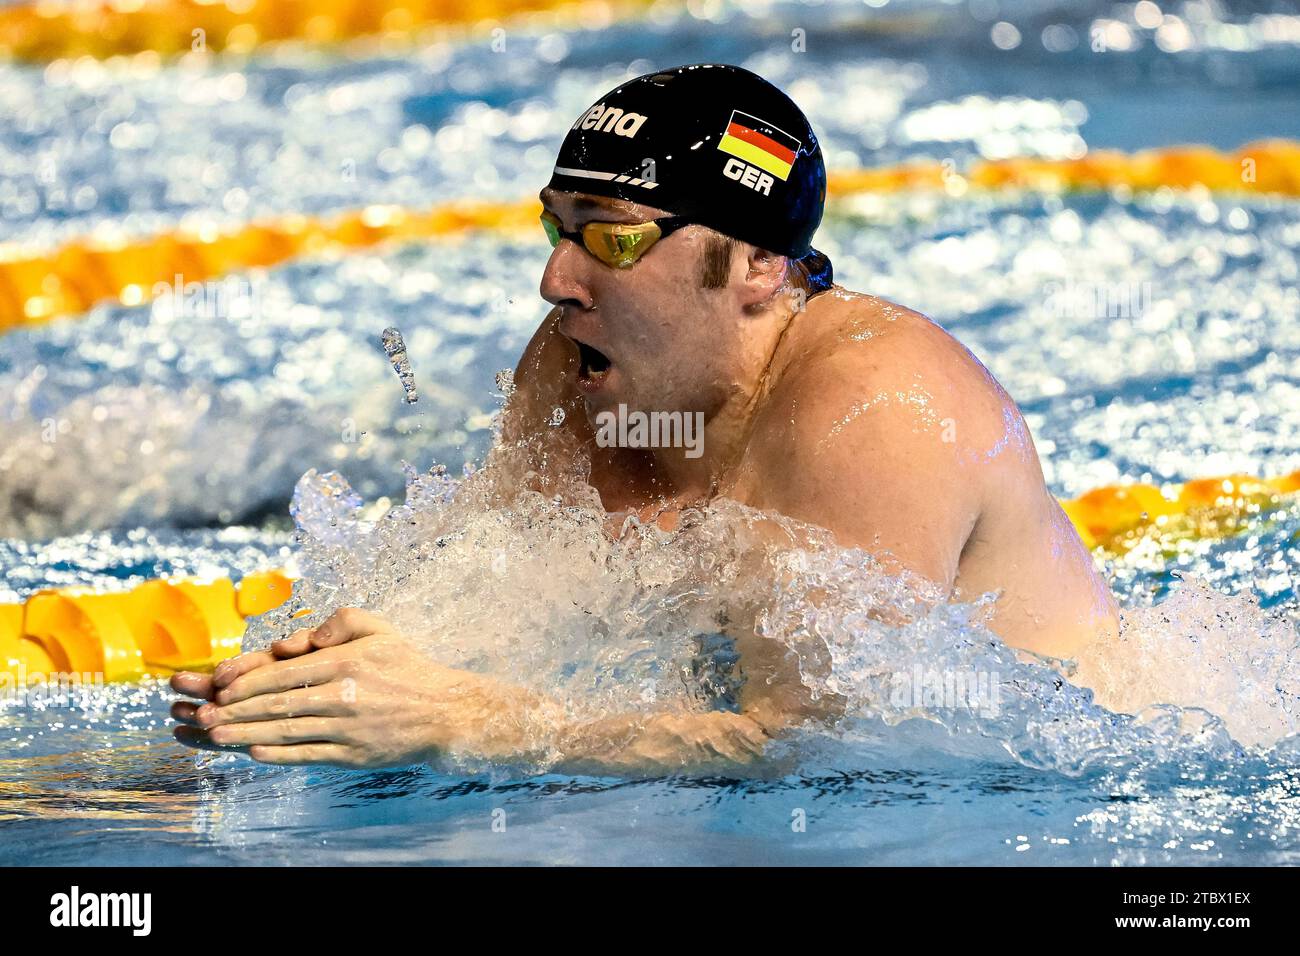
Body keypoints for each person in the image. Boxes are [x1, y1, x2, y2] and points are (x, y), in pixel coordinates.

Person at [172, 63, 1120, 773]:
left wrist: (459, 718)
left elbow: (831, 758)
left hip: (1071, 791)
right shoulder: (584, 368)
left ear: (755, 267)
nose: (557, 279)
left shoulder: (874, 414)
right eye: (558, 226)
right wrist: (323, 675)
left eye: (612, 236)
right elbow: (495, 589)